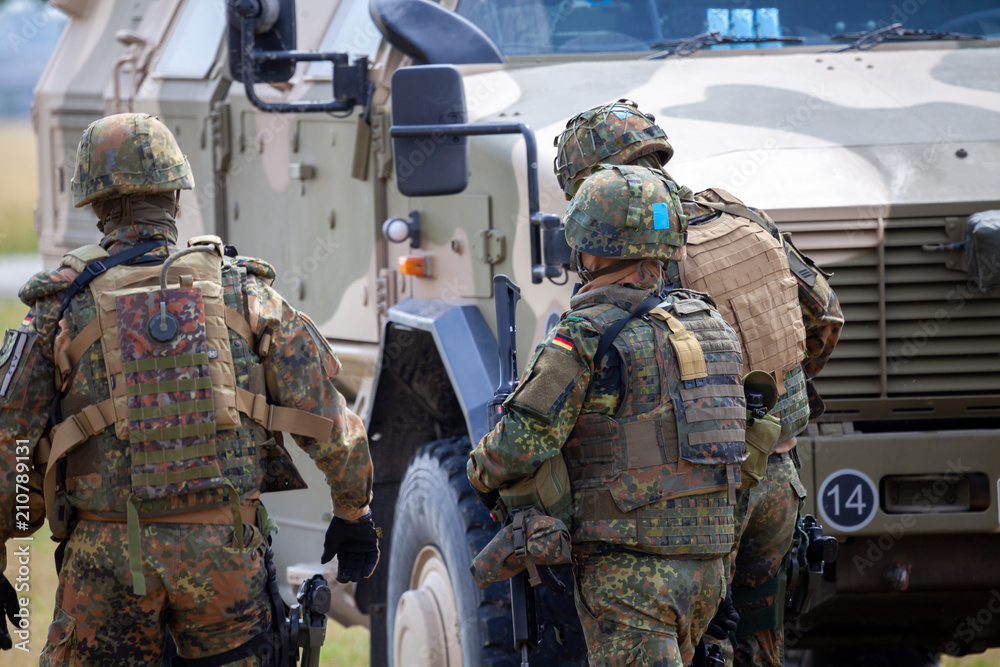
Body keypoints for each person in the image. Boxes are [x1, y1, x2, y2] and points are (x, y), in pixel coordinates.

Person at [0, 112, 379, 666]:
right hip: (224, 557)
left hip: (106, 565)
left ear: (95, 204)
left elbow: (11, 448)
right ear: (176, 197)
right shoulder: (247, 294)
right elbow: (326, 417)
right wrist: (354, 511)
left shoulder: (56, 310)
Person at [554, 100, 844, 667]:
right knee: (761, 648)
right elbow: (826, 318)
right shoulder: (741, 217)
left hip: (704, 500)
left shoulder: (640, 252)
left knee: (704, 649)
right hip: (779, 480)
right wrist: (774, 402)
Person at [468, 164, 748, 667]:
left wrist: (480, 470)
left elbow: (519, 443)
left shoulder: (586, 333)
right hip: (709, 570)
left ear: (590, 245)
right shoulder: (712, 325)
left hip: (630, 578)